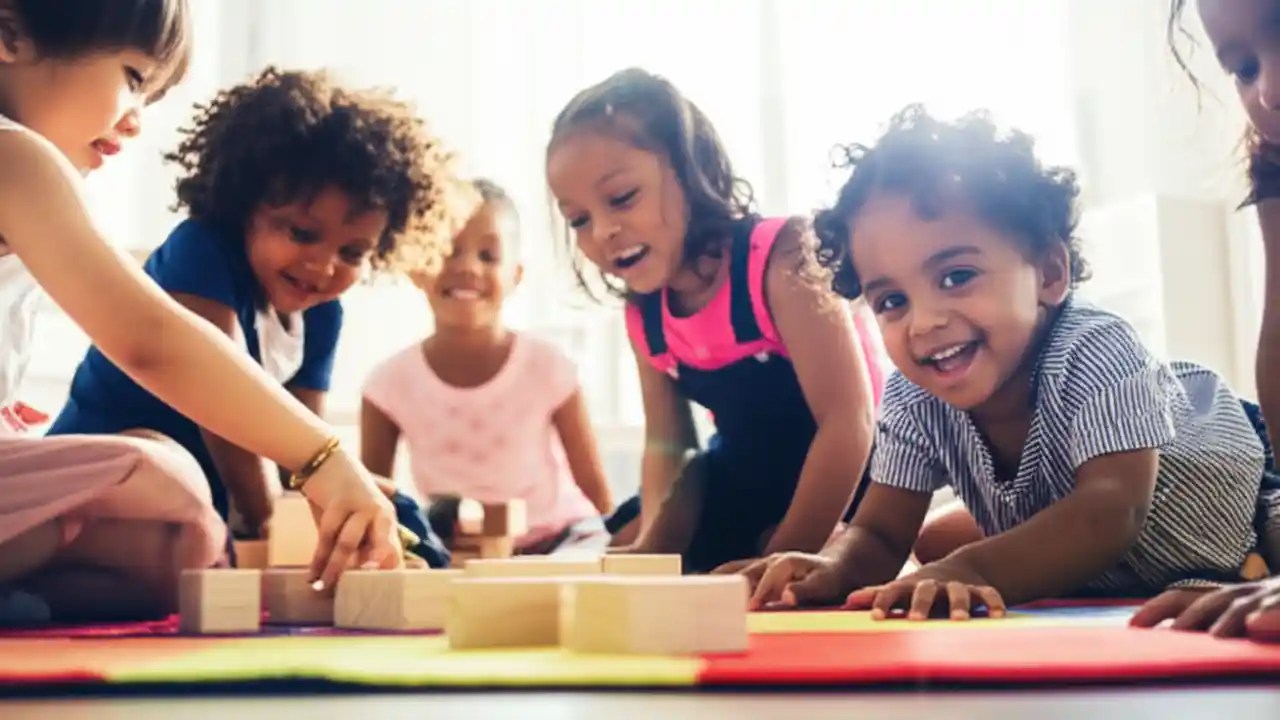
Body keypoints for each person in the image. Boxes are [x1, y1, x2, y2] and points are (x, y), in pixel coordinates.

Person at [738, 106, 1278, 621]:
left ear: (1047, 273)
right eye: (892, 301)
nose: (923, 323)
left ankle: (1249, 562)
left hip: (1253, 493)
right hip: (1109, 569)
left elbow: (1111, 509)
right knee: (930, 545)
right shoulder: (914, 395)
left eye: (956, 277)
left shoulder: (1094, 347)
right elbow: (880, 533)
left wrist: (970, 569)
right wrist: (832, 565)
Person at [0, 0, 404, 622]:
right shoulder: (15, 158)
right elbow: (150, 340)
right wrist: (322, 457)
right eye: (134, 78)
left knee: (183, 545)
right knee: (167, 479)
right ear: (8, 34)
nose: (135, 123)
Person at [545, 68, 883, 573]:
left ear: (688, 171)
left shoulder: (782, 256)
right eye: (579, 220)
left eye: (621, 198)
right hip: (747, 474)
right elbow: (668, 445)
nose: (603, 232)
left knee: (813, 551)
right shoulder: (645, 312)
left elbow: (849, 422)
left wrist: (780, 557)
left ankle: (829, 544)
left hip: (853, 469)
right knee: (683, 494)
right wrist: (657, 550)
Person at [362, 179, 614, 554]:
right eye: (449, 250)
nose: (467, 268)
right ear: (416, 266)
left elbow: (596, 494)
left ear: (515, 277)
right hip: (453, 550)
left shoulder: (548, 367)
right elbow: (372, 496)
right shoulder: (388, 385)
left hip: (557, 541)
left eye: (488, 256)